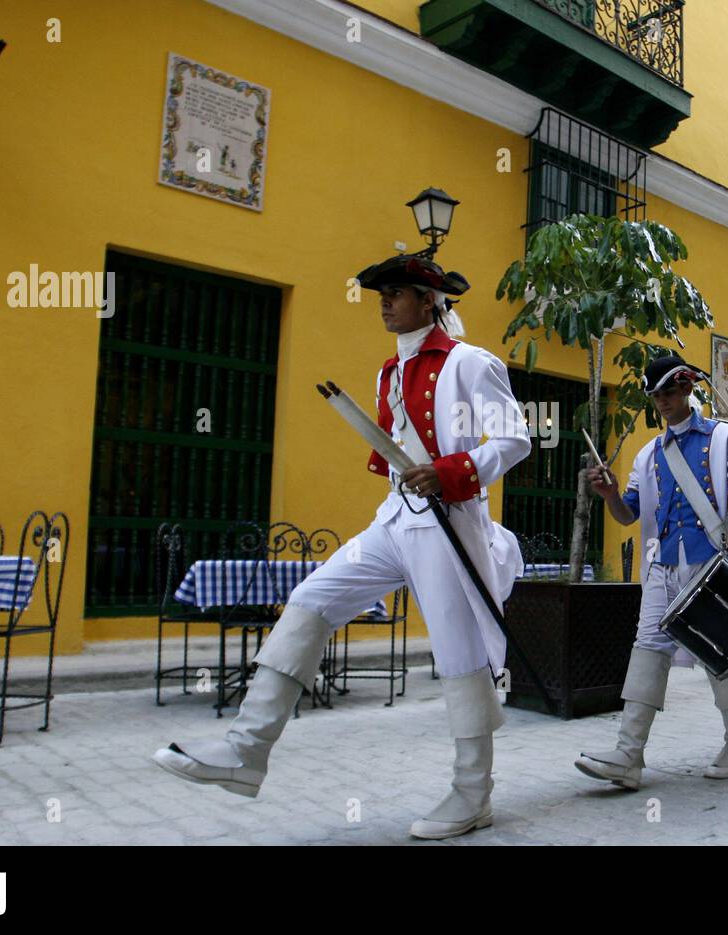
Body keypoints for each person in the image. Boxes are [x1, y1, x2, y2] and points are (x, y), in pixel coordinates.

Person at [153, 254, 532, 840]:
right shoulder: (388, 372)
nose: (384, 301)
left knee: (459, 654)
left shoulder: (470, 363)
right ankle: (245, 750)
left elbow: (514, 439)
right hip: (393, 520)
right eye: (381, 292)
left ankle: (471, 792)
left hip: (446, 520)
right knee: (310, 600)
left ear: (429, 302)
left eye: (397, 292)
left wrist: (451, 470)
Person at [574, 355, 728, 789]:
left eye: (670, 392)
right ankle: (628, 754)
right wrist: (608, 494)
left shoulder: (725, 437)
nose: (662, 401)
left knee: (720, 653)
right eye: (656, 394)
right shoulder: (647, 454)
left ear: (687, 389)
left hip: (711, 561)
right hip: (662, 565)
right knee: (647, 649)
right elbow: (627, 515)